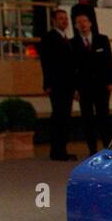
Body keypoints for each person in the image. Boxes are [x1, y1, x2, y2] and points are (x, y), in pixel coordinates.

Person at [70, 10, 112, 155]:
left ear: (90, 23)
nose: (82, 24)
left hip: (102, 86)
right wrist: (75, 89)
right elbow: (72, 68)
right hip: (84, 87)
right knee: (87, 119)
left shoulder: (102, 39)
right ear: (76, 26)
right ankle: (92, 150)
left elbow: (109, 61)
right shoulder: (73, 43)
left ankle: (108, 147)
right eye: (79, 22)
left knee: (104, 117)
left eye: (85, 21)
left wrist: (110, 81)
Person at [39, 8, 77, 161]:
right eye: (61, 18)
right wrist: (47, 83)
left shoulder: (66, 38)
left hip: (66, 85)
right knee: (59, 117)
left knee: (64, 117)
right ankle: (57, 150)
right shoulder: (49, 38)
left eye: (66, 18)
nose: (64, 21)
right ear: (54, 21)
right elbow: (46, 63)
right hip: (57, 84)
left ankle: (61, 148)